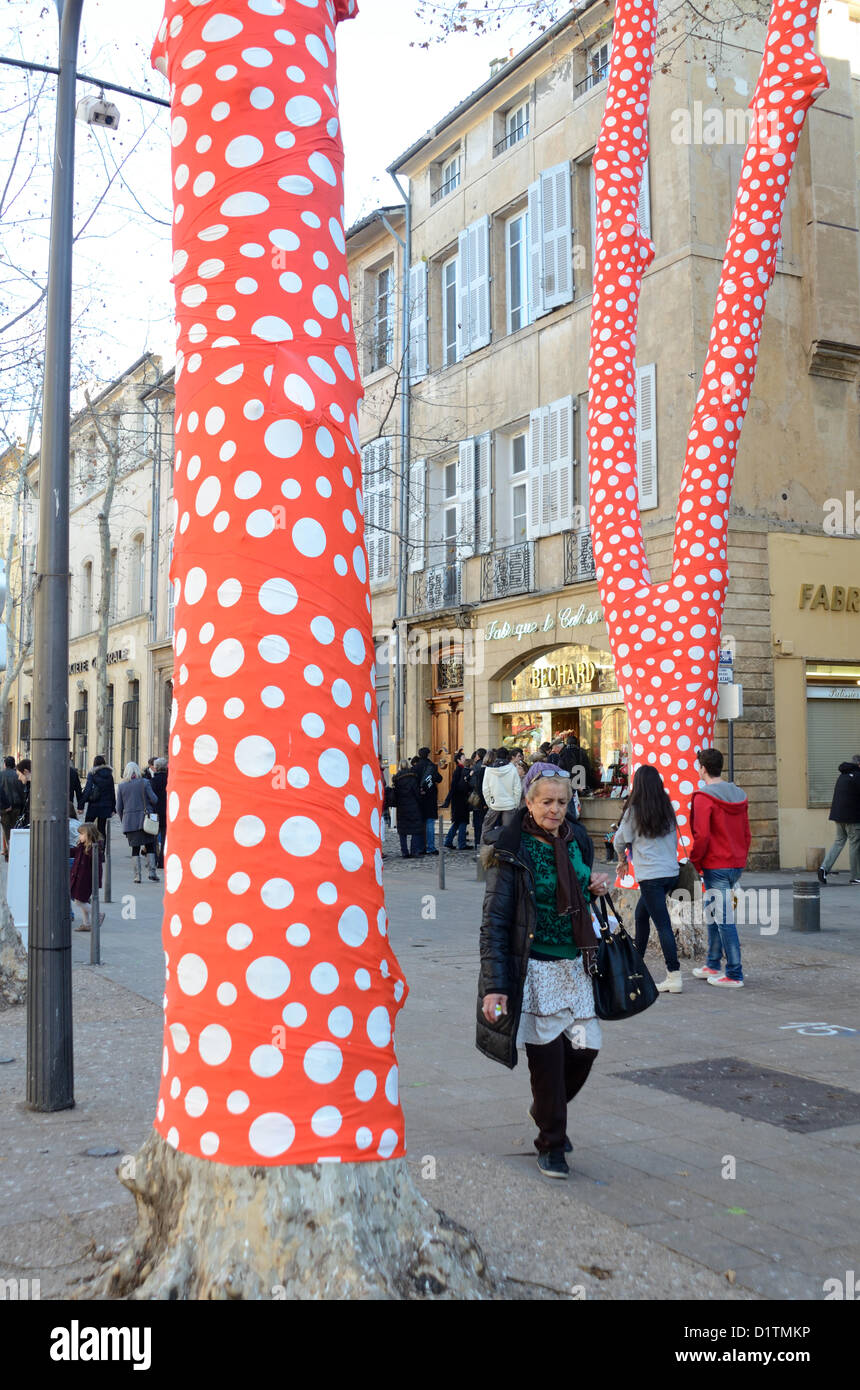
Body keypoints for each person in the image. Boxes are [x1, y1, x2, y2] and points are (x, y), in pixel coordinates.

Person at [476, 762, 610, 1179]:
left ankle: (544, 1108)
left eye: (562, 802)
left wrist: (592, 886)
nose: (555, 810)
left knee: (586, 1047)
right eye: (547, 802)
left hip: (579, 962)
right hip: (536, 966)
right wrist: (495, 986)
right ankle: (551, 1143)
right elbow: (495, 922)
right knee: (547, 1059)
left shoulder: (577, 839)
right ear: (529, 803)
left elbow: (577, 883)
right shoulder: (511, 848)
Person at [613, 766, 682, 993]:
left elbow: (619, 840)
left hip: (650, 876)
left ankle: (674, 975)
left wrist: (622, 858)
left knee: (662, 925)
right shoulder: (666, 808)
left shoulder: (635, 811)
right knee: (641, 915)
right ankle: (636, 965)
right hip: (670, 873)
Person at [689, 748, 751, 989]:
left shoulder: (703, 797)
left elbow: (701, 835)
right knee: (714, 914)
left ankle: (734, 973)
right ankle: (713, 963)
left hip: (716, 864)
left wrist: (696, 861)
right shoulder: (739, 794)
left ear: (702, 768)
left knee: (723, 918)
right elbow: (746, 833)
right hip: (735, 862)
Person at [818, 754, 860, 885]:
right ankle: (855, 876)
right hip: (853, 818)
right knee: (855, 845)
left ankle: (824, 868)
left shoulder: (842, 775)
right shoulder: (858, 776)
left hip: (838, 816)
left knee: (839, 842)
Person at [116, 761, 159, 883]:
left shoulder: (122, 786)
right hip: (146, 820)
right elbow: (154, 799)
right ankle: (152, 872)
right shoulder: (145, 783)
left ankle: (137, 876)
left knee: (135, 848)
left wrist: (123, 819)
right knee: (150, 845)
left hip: (130, 822)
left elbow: (119, 807)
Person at [479, 747, 524, 855]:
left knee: (486, 828)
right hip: (509, 804)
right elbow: (517, 788)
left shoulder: (489, 769)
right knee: (508, 831)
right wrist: (515, 803)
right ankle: (507, 852)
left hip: (495, 804)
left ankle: (482, 851)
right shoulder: (512, 768)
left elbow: (485, 789)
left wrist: (490, 802)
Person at [70, 822, 104, 933]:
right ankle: (87, 924)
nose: (79, 836)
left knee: (79, 901)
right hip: (78, 878)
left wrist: (97, 882)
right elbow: (74, 852)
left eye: (81, 834)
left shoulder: (93, 850)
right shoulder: (81, 846)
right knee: (82, 900)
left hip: (85, 880)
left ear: (88, 835)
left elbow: (98, 867)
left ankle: (98, 914)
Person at [392, 759, 424, 858]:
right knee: (415, 829)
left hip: (402, 806)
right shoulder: (413, 777)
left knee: (403, 831)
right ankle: (414, 851)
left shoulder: (396, 779)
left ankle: (404, 852)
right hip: (413, 805)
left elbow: (395, 794)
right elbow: (416, 793)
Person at [80, 755, 117, 840]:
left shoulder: (92, 774)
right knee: (102, 829)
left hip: (94, 805)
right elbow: (112, 792)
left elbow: (87, 790)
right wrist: (113, 808)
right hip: (105, 806)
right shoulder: (109, 775)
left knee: (87, 827)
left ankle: (87, 848)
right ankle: (101, 850)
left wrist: (81, 805)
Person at [414, 746, 442, 854]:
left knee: (421, 824)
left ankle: (420, 847)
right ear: (428, 755)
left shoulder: (416, 768)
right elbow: (439, 779)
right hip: (430, 798)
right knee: (430, 824)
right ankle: (430, 847)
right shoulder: (431, 766)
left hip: (420, 799)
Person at [442, 751, 471, 850]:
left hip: (459, 799)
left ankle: (448, 841)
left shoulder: (462, 769)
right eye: (463, 757)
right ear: (459, 760)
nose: (465, 758)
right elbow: (455, 786)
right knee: (462, 821)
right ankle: (461, 843)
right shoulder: (459, 770)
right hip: (460, 799)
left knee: (458, 822)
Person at [0, 755, 25, 859]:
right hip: (17, 806)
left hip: (4, 808)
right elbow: (22, 791)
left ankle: (8, 853)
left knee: (6, 829)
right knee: (16, 829)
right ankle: (14, 851)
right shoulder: (18, 775)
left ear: (5, 764)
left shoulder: (1, 775)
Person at [151, 757, 169, 869]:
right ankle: (162, 861)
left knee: (153, 837)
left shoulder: (153, 781)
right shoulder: (170, 779)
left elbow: (151, 797)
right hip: (167, 811)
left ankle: (155, 859)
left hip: (155, 812)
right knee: (164, 838)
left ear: (156, 768)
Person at [469, 748, 489, 851]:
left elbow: (473, 784)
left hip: (477, 798)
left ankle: (478, 843)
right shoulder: (487, 767)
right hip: (486, 799)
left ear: (478, 755)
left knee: (478, 823)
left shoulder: (476, 767)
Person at [14, 760, 31, 829]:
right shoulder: (28, 787)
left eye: (19, 775)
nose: (19, 778)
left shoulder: (33, 788)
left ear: (25, 772)